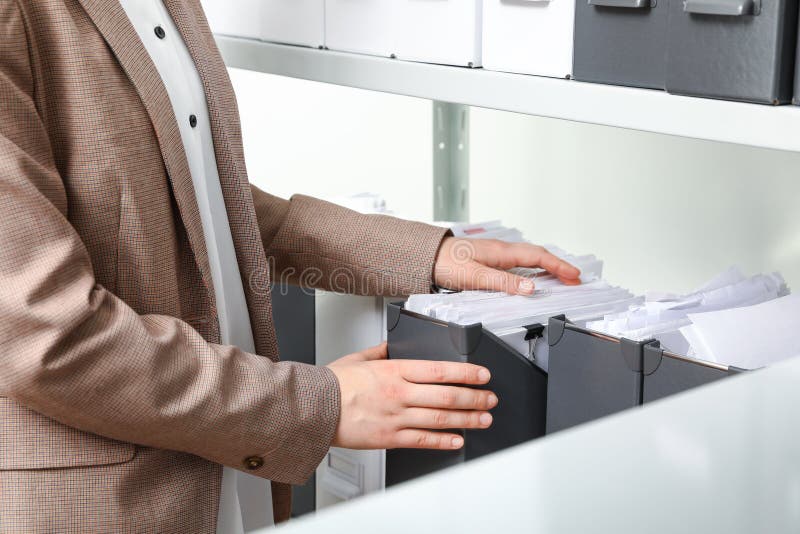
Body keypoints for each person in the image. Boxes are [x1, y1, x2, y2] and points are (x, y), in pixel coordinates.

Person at [0, 1, 581, 532]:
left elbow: (202, 207)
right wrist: (317, 407)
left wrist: (428, 252)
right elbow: (48, 335)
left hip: (230, 481)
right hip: (110, 507)